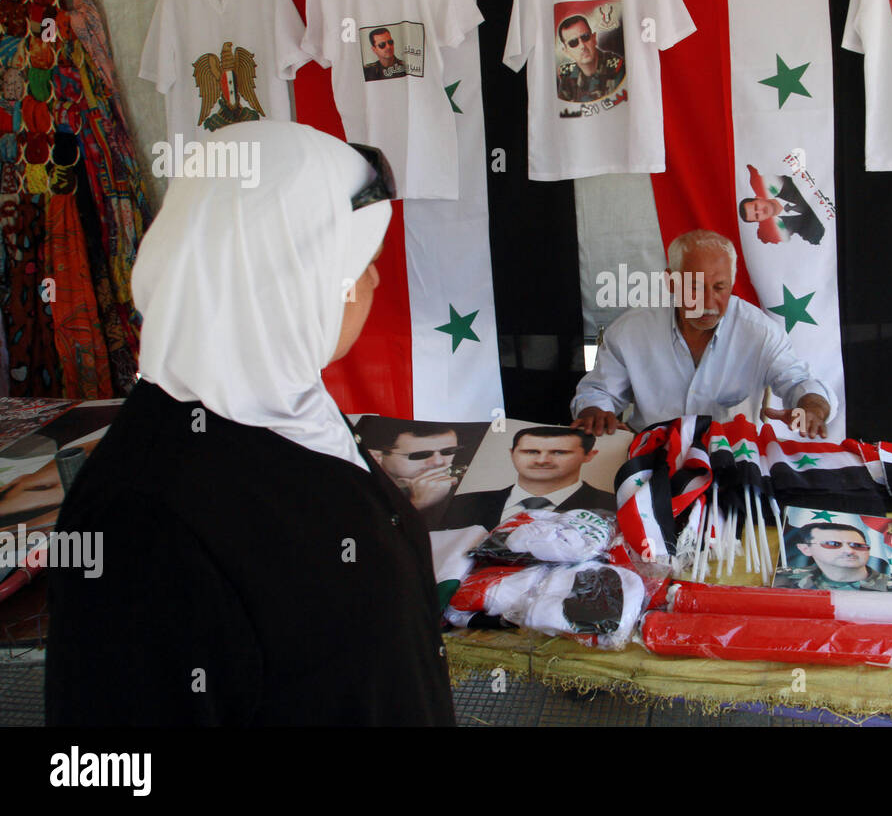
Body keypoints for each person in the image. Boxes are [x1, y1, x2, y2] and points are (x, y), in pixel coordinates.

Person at [45, 121, 455, 725]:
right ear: (285, 277)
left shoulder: (287, 407)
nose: (372, 281)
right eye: (358, 264)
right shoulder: (142, 521)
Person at [571, 229, 835, 437]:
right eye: (695, 287)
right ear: (671, 282)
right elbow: (600, 392)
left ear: (732, 283)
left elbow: (797, 381)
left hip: (731, 461)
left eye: (719, 287)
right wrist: (596, 411)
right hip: (651, 455)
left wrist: (811, 406)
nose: (708, 302)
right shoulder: (630, 331)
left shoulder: (760, 333)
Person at [439, 426, 614, 531]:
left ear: (589, 455)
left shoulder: (614, 507)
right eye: (531, 452)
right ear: (512, 453)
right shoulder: (463, 503)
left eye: (559, 452)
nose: (542, 460)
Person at [363, 419, 468, 529]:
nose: (438, 462)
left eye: (448, 451)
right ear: (375, 456)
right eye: (420, 455)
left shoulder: (460, 485)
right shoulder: (359, 491)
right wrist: (418, 504)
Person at [775, 522, 892, 592]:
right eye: (833, 544)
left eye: (857, 545)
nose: (849, 551)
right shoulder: (780, 578)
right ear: (805, 549)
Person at [738, 174, 825, 246]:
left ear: (758, 198)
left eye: (756, 207)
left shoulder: (788, 182)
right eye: (757, 215)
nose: (761, 211)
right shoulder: (790, 229)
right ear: (760, 220)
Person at [555, 14, 625, 102]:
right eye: (573, 43)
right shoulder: (567, 75)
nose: (582, 46)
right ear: (566, 51)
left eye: (585, 37)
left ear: (594, 38)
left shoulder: (617, 68)